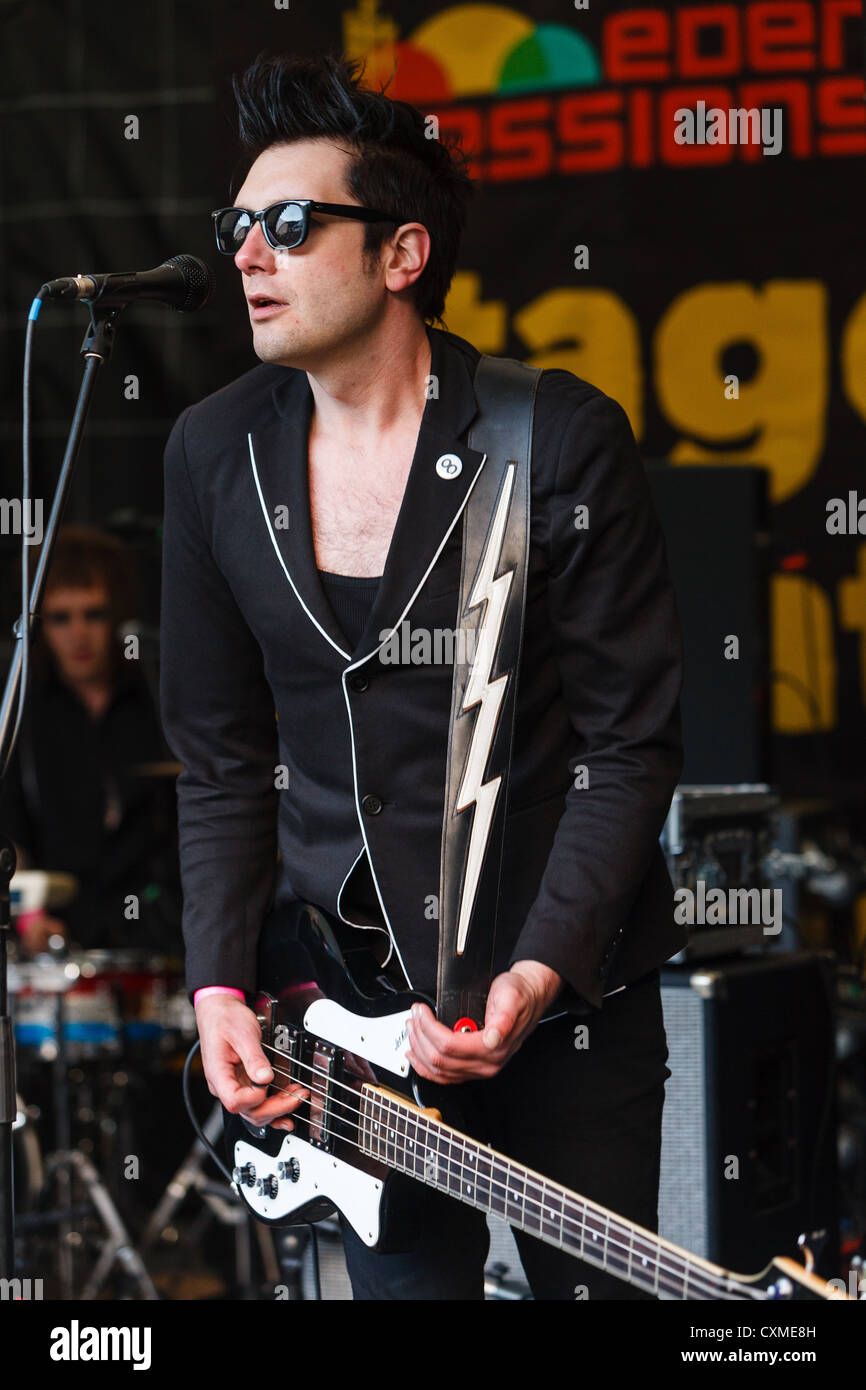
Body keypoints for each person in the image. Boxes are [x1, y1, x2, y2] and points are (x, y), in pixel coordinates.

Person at [160, 52, 686, 1300]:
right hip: (344, 1018)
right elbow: (222, 761)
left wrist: (539, 964)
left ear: (401, 257)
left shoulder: (549, 436)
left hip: (566, 1007)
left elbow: (630, 748)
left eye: (290, 225)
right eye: (237, 226)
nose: (247, 253)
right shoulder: (212, 451)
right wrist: (222, 981)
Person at [1, 524, 180, 955]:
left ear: (117, 615)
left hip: (163, 936)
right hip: (62, 938)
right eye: (61, 617)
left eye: (93, 614)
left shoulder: (158, 698)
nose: (78, 634)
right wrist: (27, 915)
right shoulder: (21, 713)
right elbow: (11, 834)